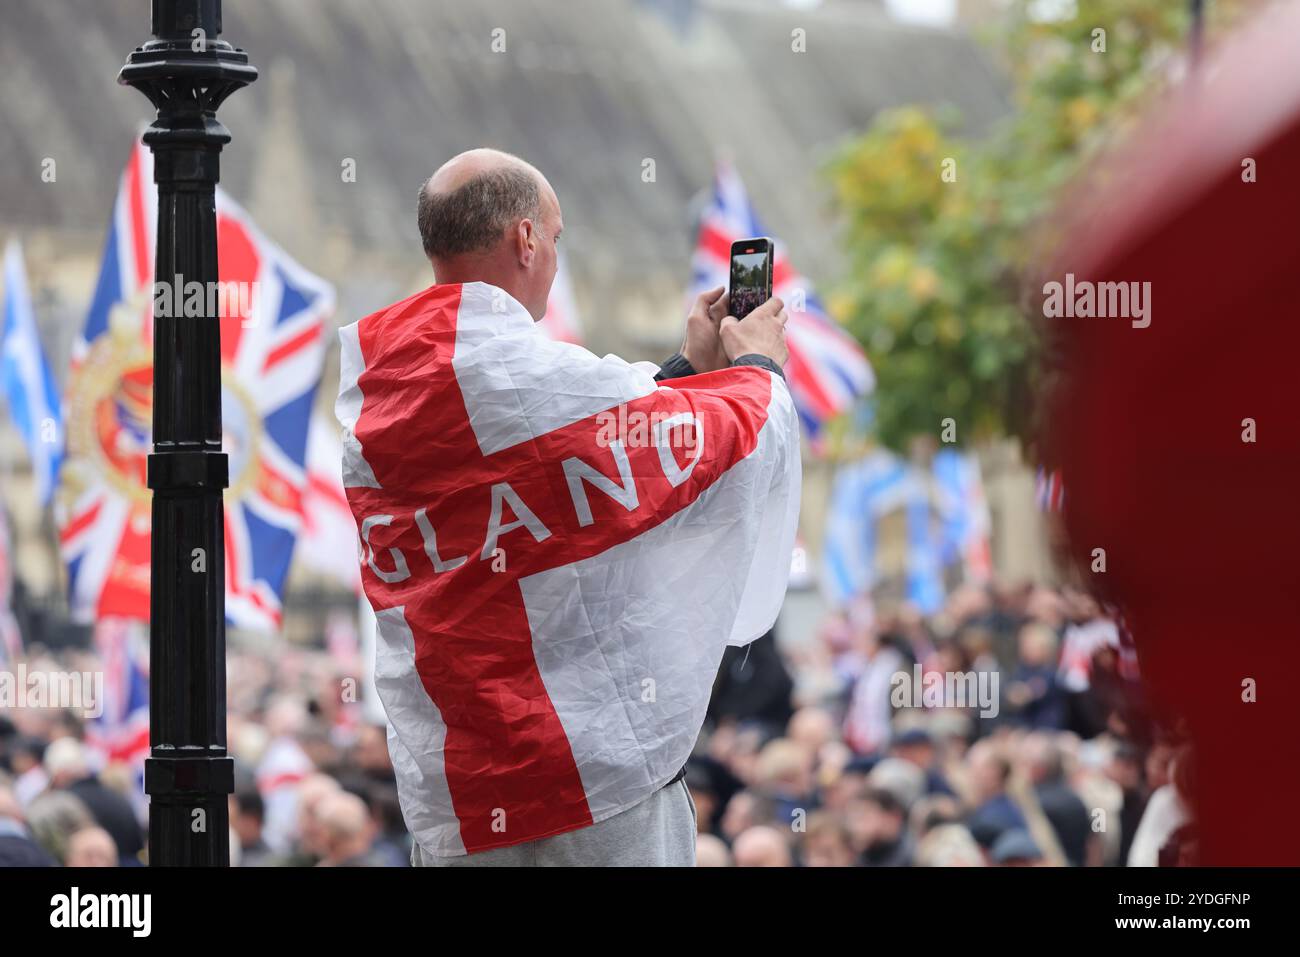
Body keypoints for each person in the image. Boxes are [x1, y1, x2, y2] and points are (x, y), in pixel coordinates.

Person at [337, 148, 799, 866]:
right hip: (591, 787)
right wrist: (757, 368)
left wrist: (682, 371)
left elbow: (575, 449)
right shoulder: (531, 378)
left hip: (460, 796)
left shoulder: (382, 400)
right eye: (556, 236)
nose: (554, 252)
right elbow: (714, 439)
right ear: (525, 239)